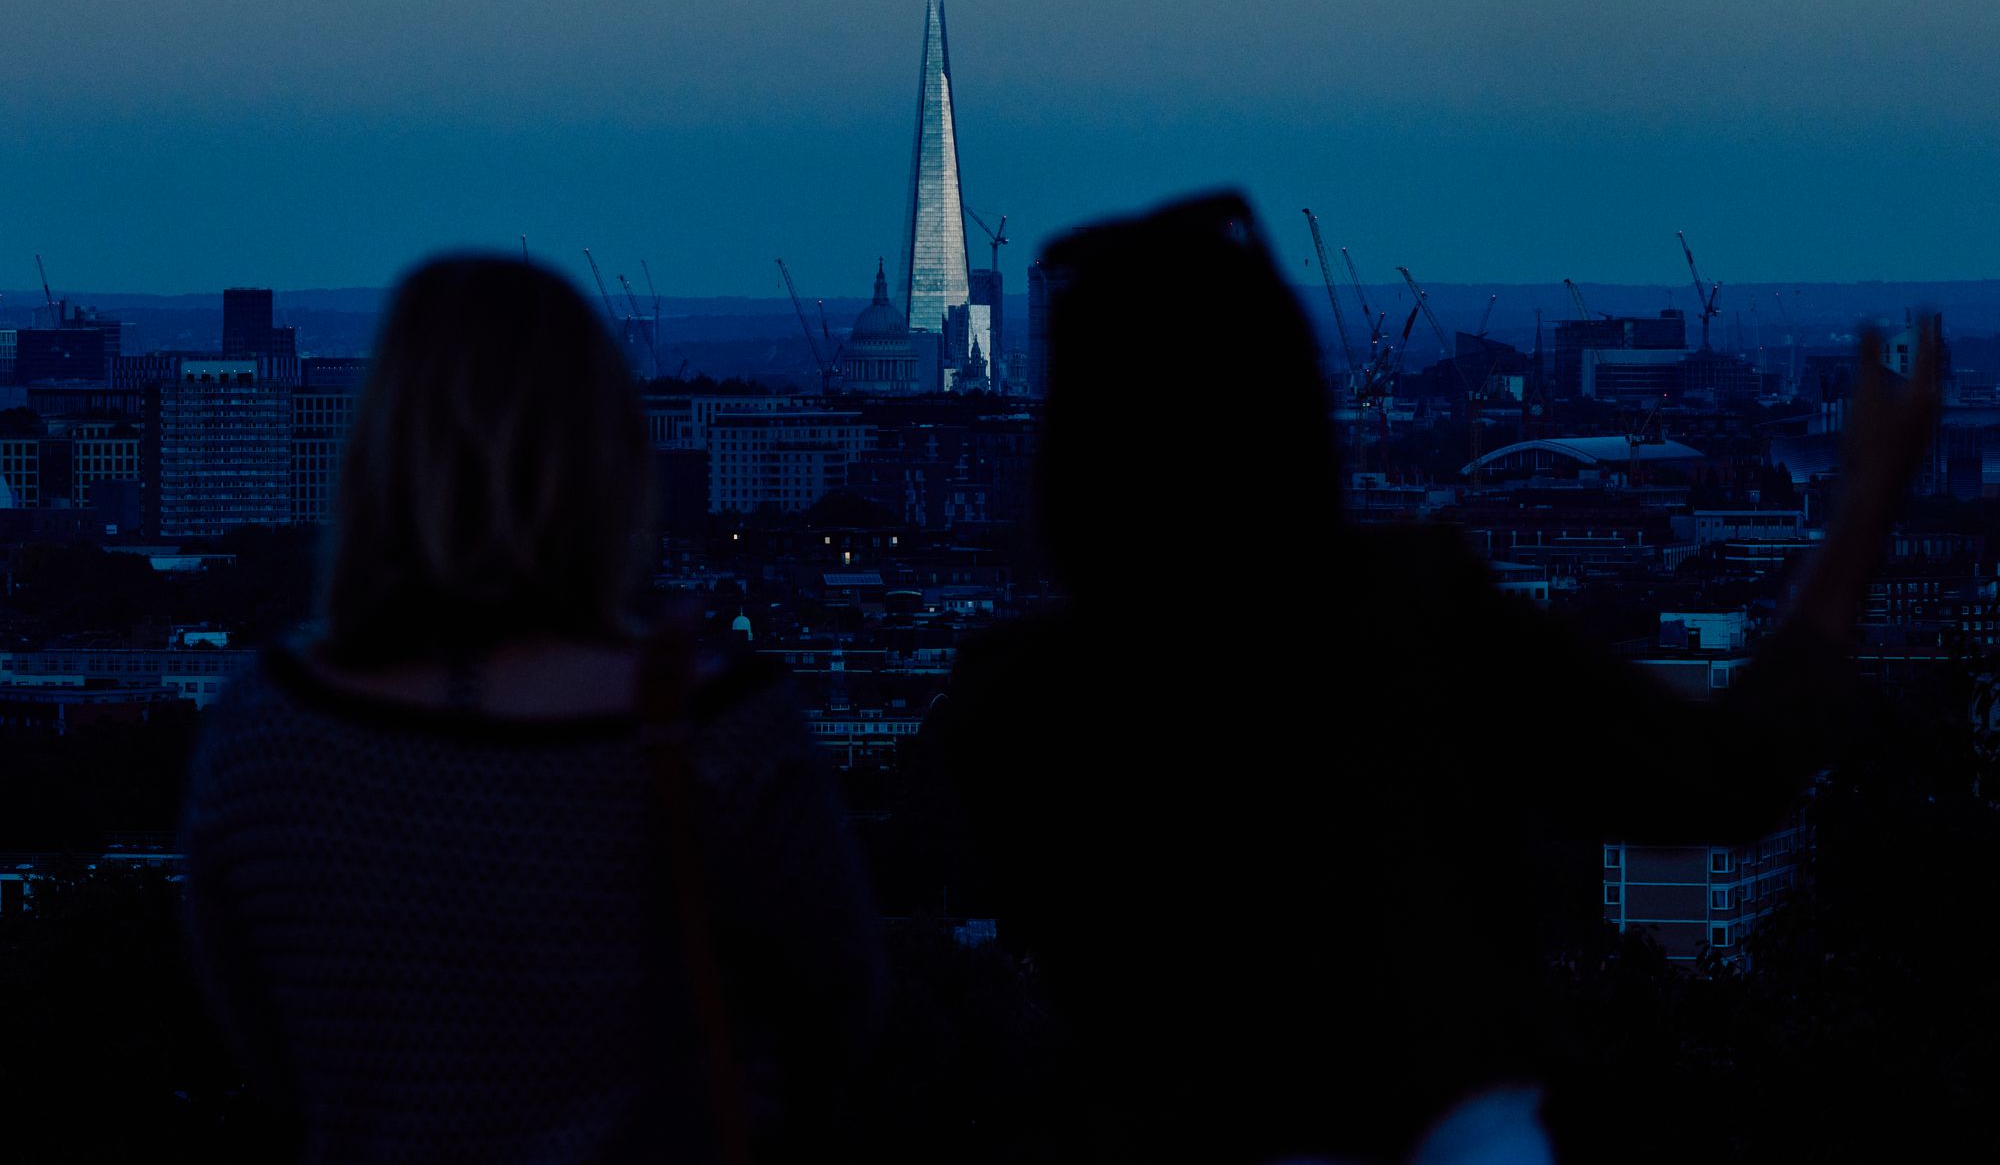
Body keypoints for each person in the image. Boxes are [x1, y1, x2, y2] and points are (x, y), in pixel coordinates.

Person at [927, 193, 1939, 1163]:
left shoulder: (1011, 709)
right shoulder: (1412, 614)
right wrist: (1864, 499)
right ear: (1289, 416)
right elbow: (1730, 774)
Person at [180, 255, 883, 1163]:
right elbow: (840, 1028)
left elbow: (270, 1055)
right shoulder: (725, 732)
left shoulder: (263, 732)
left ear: (376, 452)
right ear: (607, 455)